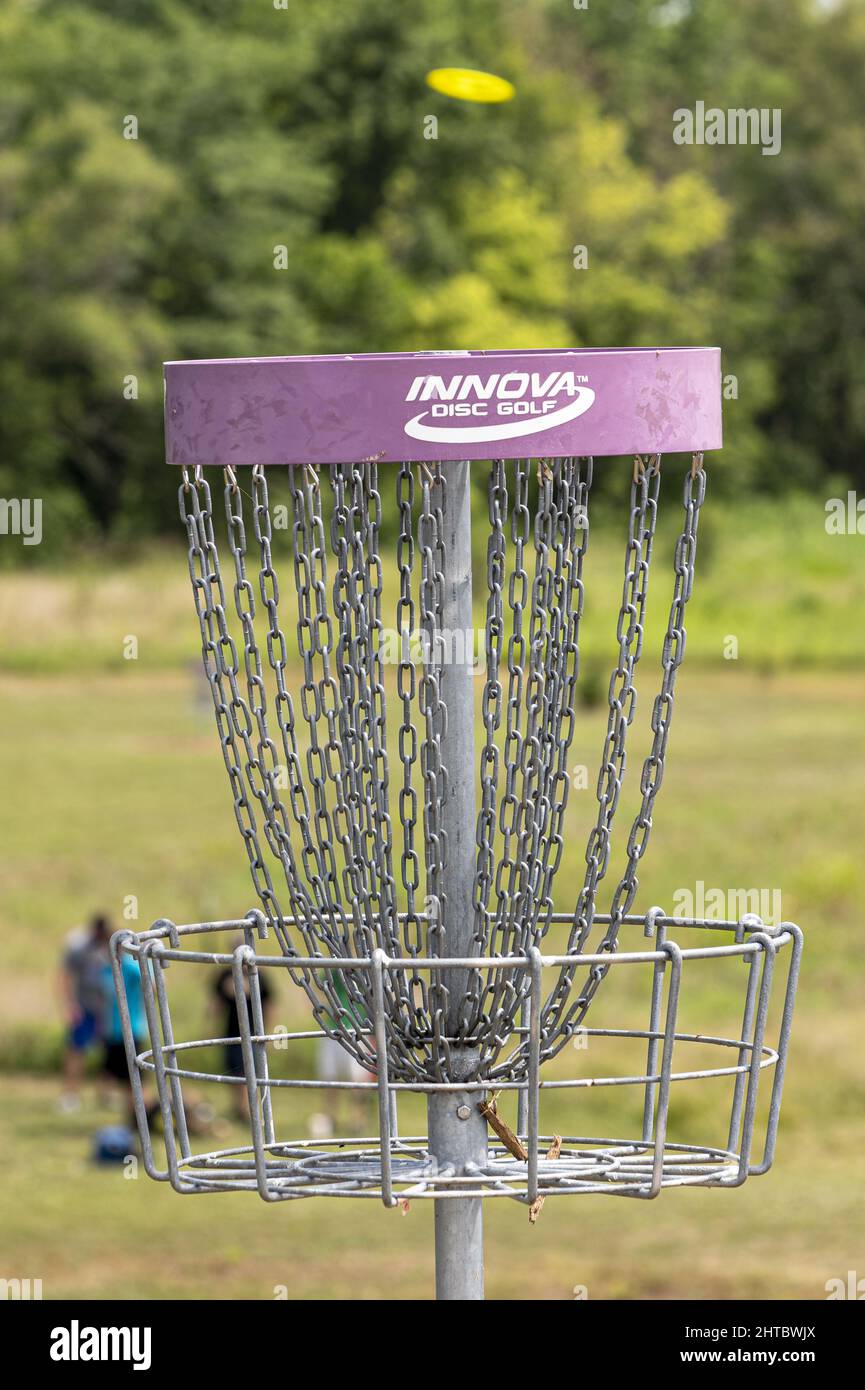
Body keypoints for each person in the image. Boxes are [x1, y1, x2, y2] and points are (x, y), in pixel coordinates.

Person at [211, 950, 273, 1120]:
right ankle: (239, 1106)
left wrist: (269, 1031)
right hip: (230, 1030)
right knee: (232, 1070)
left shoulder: (259, 976)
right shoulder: (225, 974)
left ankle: (248, 1109)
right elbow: (217, 1001)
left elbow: (268, 1004)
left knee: (247, 1070)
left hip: (253, 1031)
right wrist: (211, 1026)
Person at [58, 914, 110, 1111]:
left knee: (110, 1051)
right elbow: (64, 976)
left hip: (106, 1009)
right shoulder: (78, 947)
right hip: (84, 1007)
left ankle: (104, 1093)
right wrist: (70, 1006)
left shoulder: (110, 945)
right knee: (76, 1051)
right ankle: (71, 1095)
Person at [100, 948, 147, 1126]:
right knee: (118, 1076)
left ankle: (139, 1117)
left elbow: (152, 985)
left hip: (132, 1030)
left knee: (134, 1079)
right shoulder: (106, 968)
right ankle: (132, 1116)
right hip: (112, 1030)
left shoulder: (132, 966)